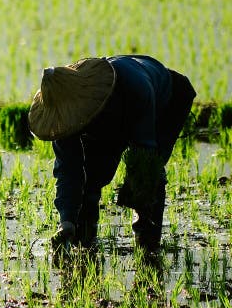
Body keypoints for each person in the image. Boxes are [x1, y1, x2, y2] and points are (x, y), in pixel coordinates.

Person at [27, 55, 196, 256]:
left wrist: (138, 192)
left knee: (148, 173)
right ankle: (82, 240)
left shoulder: (133, 88)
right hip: (115, 112)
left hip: (164, 102)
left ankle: (148, 246)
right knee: (91, 178)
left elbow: (144, 152)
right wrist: (66, 221)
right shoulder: (63, 116)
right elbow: (68, 170)